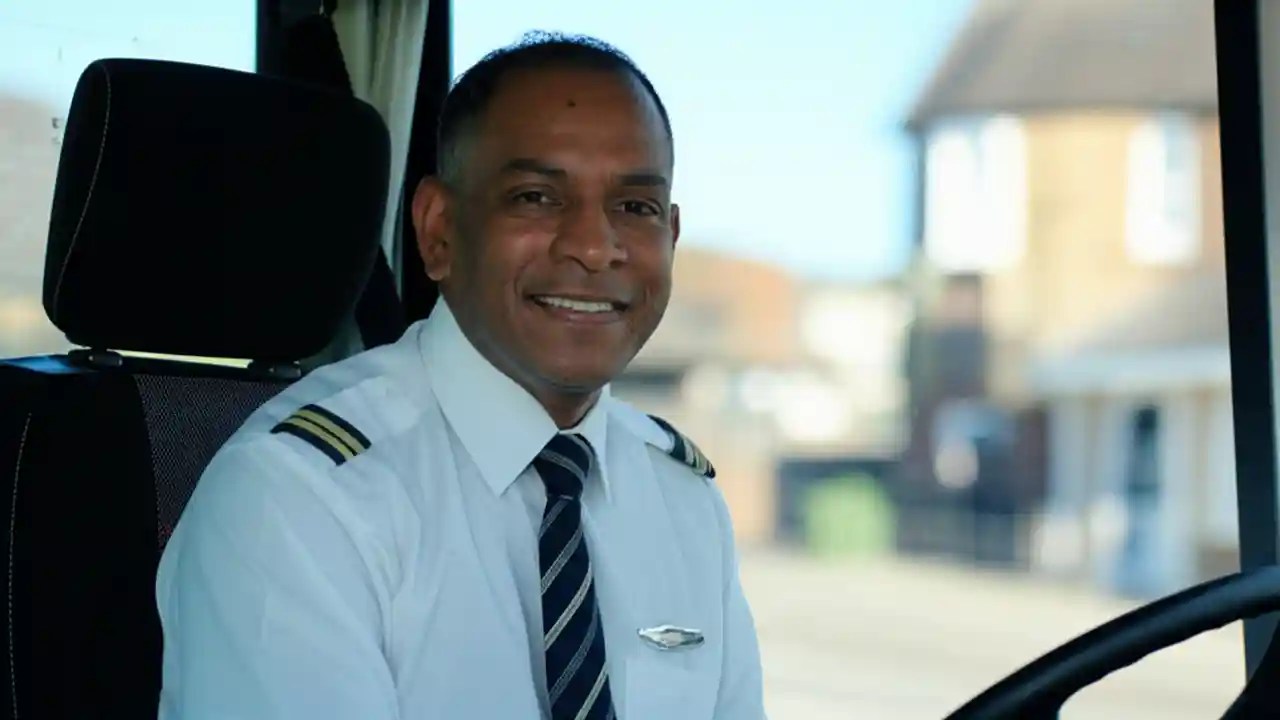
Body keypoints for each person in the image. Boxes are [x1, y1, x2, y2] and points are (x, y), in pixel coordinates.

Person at [155, 31, 766, 720]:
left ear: (671, 238)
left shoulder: (684, 500)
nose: (596, 248)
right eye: (537, 197)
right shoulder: (298, 499)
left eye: (636, 208)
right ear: (438, 230)